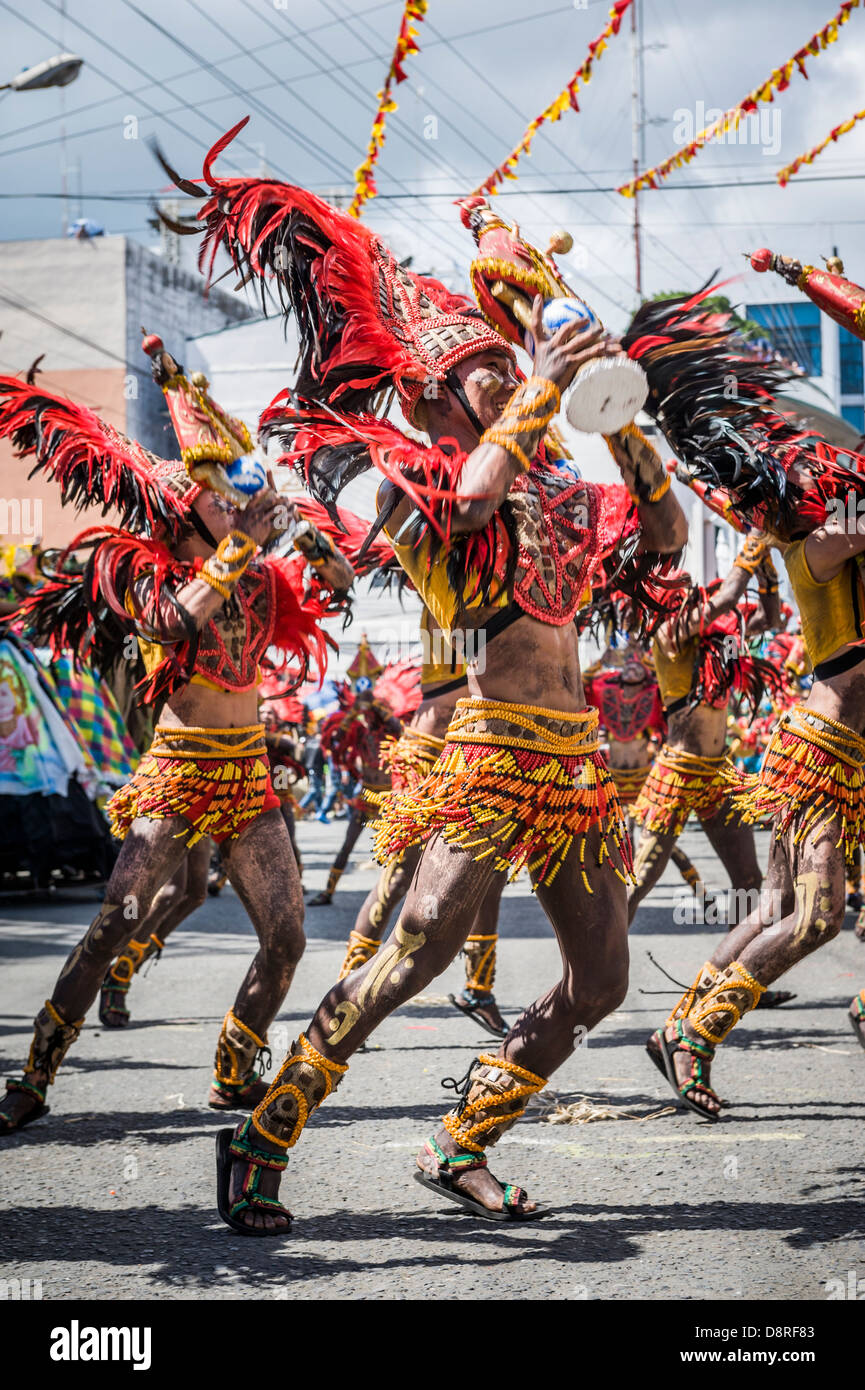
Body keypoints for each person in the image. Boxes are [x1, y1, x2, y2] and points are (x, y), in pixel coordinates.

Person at [160, 128, 688, 1231]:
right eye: (492, 369)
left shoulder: (552, 485)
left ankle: (461, 1141)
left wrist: (622, 418)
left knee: (601, 985)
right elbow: (471, 504)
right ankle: (262, 1133)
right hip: (490, 758)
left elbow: (667, 532)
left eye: (515, 364)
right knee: (411, 955)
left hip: (574, 768)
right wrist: (544, 384)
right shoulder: (429, 485)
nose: (513, 370)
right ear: (448, 396)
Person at [0, 332, 353, 1135]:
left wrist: (313, 543)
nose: (234, 498)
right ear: (185, 503)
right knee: (112, 926)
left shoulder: (260, 567)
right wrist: (238, 549)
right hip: (176, 770)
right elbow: (169, 621)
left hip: (247, 772)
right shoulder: (149, 568)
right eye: (219, 492)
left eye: (238, 488)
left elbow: (337, 583)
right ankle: (35, 1074)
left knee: (289, 938)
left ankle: (234, 1067)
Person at [627, 537, 784, 929]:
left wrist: (767, 577)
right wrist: (755, 542)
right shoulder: (668, 634)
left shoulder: (721, 643)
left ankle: (737, 984)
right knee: (639, 881)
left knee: (749, 881)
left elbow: (772, 618)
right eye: (678, 591)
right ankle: (594, 976)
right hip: (677, 770)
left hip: (718, 773)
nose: (690, 594)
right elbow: (729, 595)